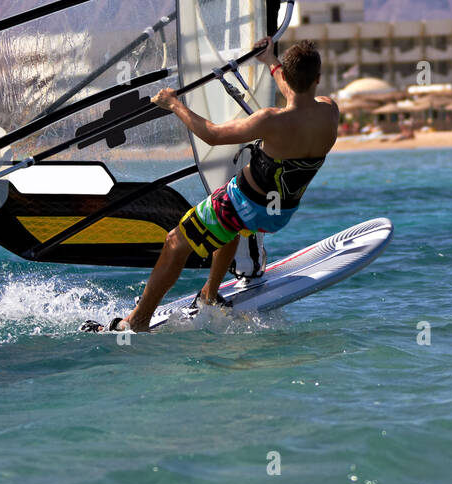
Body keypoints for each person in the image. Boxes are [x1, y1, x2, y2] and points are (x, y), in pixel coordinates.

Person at [115, 37, 339, 332]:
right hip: (278, 214)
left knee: (175, 242)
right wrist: (271, 61)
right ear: (318, 79)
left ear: (287, 76)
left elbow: (213, 135)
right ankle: (208, 296)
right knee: (228, 225)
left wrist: (174, 104)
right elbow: (298, 95)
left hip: (245, 204)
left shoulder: (271, 121)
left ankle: (138, 321)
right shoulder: (329, 111)